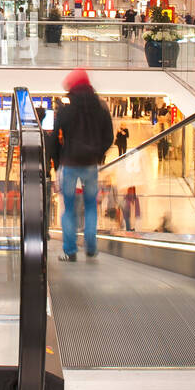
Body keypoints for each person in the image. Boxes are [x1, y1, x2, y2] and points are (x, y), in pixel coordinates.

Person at [54, 68, 114, 262]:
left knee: (69, 209)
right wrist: (98, 154)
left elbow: (54, 138)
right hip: (90, 165)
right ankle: (91, 247)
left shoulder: (66, 109)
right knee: (90, 207)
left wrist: (56, 163)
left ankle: (70, 251)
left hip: (69, 164)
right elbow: (109, 137)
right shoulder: (100, 107)